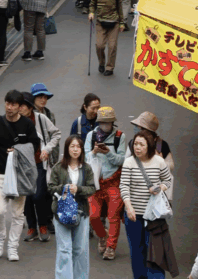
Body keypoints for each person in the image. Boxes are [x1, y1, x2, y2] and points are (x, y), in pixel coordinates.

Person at [0, 88, 41, 261]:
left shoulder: (27, 125)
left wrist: (18, 150)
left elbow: (34, 145)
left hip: (19, 175)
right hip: (0, 174)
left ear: (19, 106)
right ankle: (0, 238)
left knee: (17, 214)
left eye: (13, 104)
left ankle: (13, 246)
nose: (9, 107)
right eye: (7, 103)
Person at [120, 131, 172, 279]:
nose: (137, 147)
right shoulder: (129, 162)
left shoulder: (159, 162)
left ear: (149, 146)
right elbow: (124, 186)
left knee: (155, 249)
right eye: (135, 144)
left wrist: (159, 188)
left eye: (141, 144)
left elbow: (167, 181)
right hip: (134, 215)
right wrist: (129, 207)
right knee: (137, 250)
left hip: (154, 215)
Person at [49, 135, 97, 279]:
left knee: (80, 250)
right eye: (72, 146)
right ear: (67, 148)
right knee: (64, 250)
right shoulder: (58, 167)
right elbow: (50, 188)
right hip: (61, 213)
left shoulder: (86, 168)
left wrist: (79, 189)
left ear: (82, 149)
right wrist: (63, 188)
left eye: (78, 147)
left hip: (81, 213)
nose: (75, 150)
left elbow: (92, 188)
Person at [84, 104, 126, 261]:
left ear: (112, 123)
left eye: (108, 123)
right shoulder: (91, 136)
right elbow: (86, 159)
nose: (105, 126)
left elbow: (121, 159)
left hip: (113, 181)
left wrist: (108, 153)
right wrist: (94, 152)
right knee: (93, 216)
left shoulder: (119, 136)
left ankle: (110, 247)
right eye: (102, 122)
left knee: (113, 216)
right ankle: (102, 236)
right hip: (95, 183)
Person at [20, 91, 61, 243]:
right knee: (27, 197)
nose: (20, 108)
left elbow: (57, 133)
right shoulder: (15, 121)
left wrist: (47, 149)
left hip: (39, 163)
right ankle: (32, 227)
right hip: (22, 165)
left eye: (23, 106)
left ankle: (43, 225)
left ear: (30, 107)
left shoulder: (40, 119)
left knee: (39, 195)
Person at [89, 0, 126, 76]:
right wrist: (91, 13)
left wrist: (122, 23)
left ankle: (109, 67)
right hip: (101, 23)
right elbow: (92, 5)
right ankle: (101, 62)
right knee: (99, 45)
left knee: (112, 46)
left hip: (114, 23)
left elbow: (120, 10)